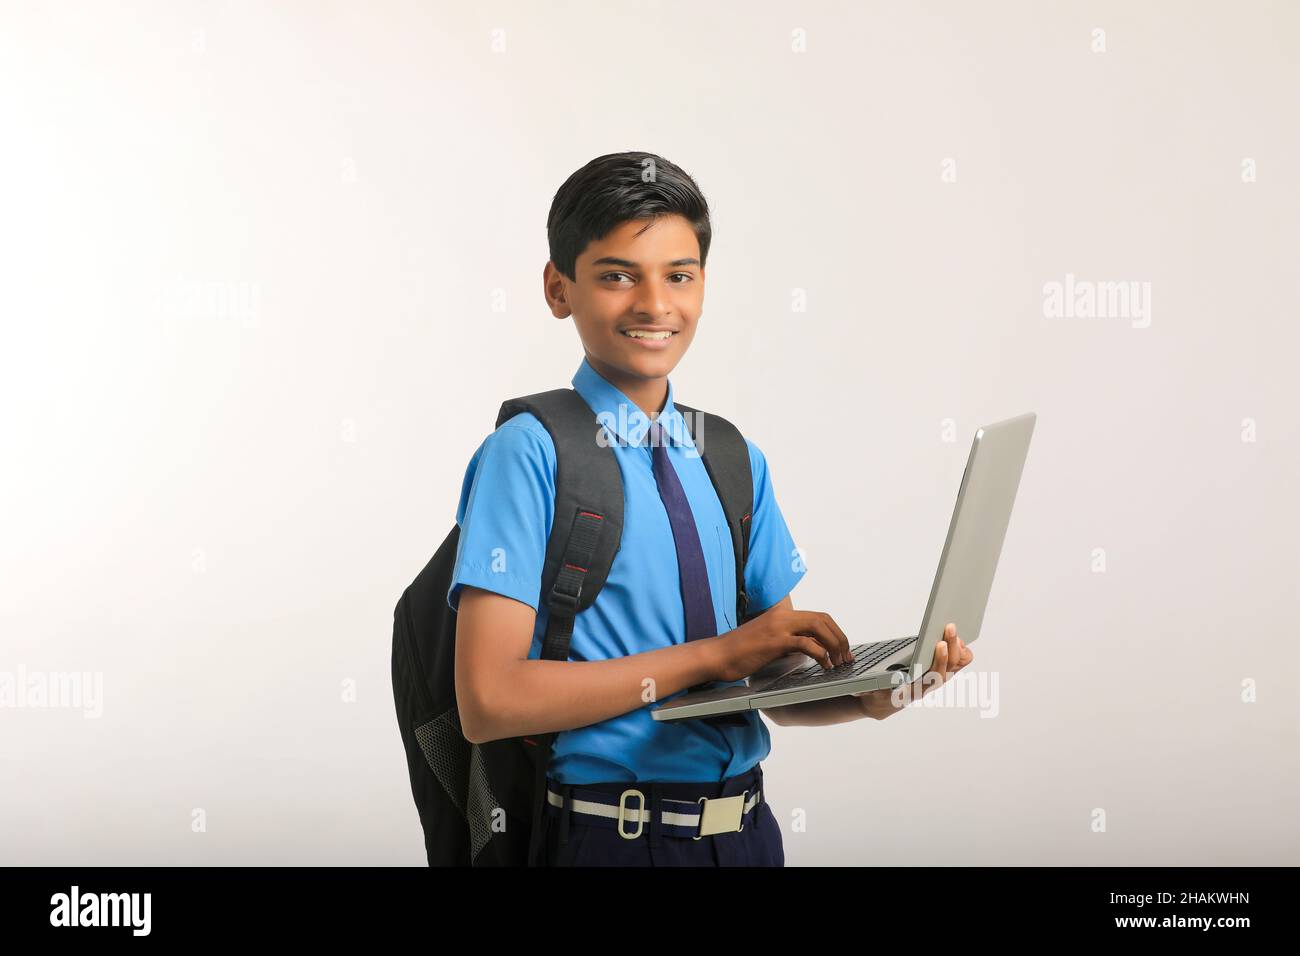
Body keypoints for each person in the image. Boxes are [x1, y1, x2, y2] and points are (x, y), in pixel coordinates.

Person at [446, 151, 972, 866]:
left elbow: (769, 685)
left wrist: (868, 697)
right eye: (616, 275)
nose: (654, 305)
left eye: (679, 276)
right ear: (558, 287)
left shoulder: (730, 457)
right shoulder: (529, 454)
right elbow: (490, 700)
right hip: (613, 839)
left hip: (748, 834)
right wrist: (718, 653)